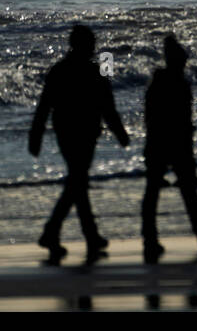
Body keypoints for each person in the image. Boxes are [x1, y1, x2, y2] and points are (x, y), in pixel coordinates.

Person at [29, 24, 130, 264]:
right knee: (78, 181)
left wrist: (36, 136)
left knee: (78, 181)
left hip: (67, 132)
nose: (94, 48)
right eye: (91, 43)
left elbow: (44, 107)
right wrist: (120, 133)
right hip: (82, 133)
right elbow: (108, 107)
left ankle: (80, 235)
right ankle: (55, 233)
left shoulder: (60, 70)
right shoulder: (93, 72)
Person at [141, 34, 197, 263]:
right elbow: (181, 120)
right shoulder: (177, 83)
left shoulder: (158, 82)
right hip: (175, 143)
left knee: (155, 192)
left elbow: (150, 116)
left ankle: (151, 240)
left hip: (158, 141)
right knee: (185, 190)